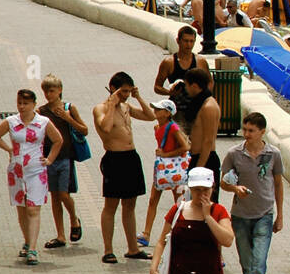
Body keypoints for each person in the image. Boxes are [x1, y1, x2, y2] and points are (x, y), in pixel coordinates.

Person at [219, 112, 284, 274]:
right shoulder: (234, 154)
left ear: (262, 132)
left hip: (264, 215)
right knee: (247, 267)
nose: (246, 134)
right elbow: (224, 182)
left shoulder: (273, 154)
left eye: (251, 131)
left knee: (259, 265)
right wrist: (235, 188)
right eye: (244, 130)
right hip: (240, 216)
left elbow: (278, 184)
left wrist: (280, 215)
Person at [0, 88, 64, 265]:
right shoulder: (11, 121)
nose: (22, 107)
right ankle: (27, 240)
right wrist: (9, 149)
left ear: (34, 104)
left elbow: (58, 140)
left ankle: (33, 248)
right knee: (22, 208)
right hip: (16, 170)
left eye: (26, 104)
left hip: (36, 171)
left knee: (33, 209)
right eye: (19, 103)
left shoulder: (43, 122)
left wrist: (50, 159)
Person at [93, 72, 155, 264]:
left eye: (129, 91)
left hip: (131, 158)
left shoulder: (127, 106)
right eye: (124, 91)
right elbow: (106, 128)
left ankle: (133, 248)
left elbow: (150, 116)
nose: (126, 95)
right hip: (114, 159)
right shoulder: (101, 108)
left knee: (130, 205)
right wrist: (112, 104)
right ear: (113, 88)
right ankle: (108, 250)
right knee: (111, 205)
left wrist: (138, 97)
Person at [37, 74, 88, 250]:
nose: (48, 94)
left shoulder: (69, 108)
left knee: (64, 194)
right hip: (49, 158)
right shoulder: (41, 112)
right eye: (46, 91)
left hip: (66, 157)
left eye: (51, 90)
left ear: (60, 90)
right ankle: (60, 235)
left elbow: (85, 130)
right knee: (54, 197)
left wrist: (68, 118)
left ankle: (74, 219)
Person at [138, 100, 189, 248]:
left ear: (168, 113)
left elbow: (185, 147)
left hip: (171, 169)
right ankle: (146, 234)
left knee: (178, 202)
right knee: (154, 199)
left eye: (159, 109)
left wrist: (166, 154)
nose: (155, 111)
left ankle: (180, 232)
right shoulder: (158, 127)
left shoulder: (172, 127)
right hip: (165, 169)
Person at [153, 26, 211, 134]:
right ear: (178, 41)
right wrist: (169, 92)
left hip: (196, 108)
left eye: (191, 41)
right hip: (177, 109)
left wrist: (204, 97)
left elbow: (210, 82)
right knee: (180, 143)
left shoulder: (200, 61)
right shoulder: (169, 62)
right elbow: (157, 87)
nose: (188, 45)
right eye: (185, 41)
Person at [183, 70, 221, 200]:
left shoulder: (209, 106)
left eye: (187, 85)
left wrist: (199, 168)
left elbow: (208, 140)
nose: (186, 89)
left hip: (206, 159)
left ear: (194, 86)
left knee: (207, 203)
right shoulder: (199, 103)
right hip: (196, 157)